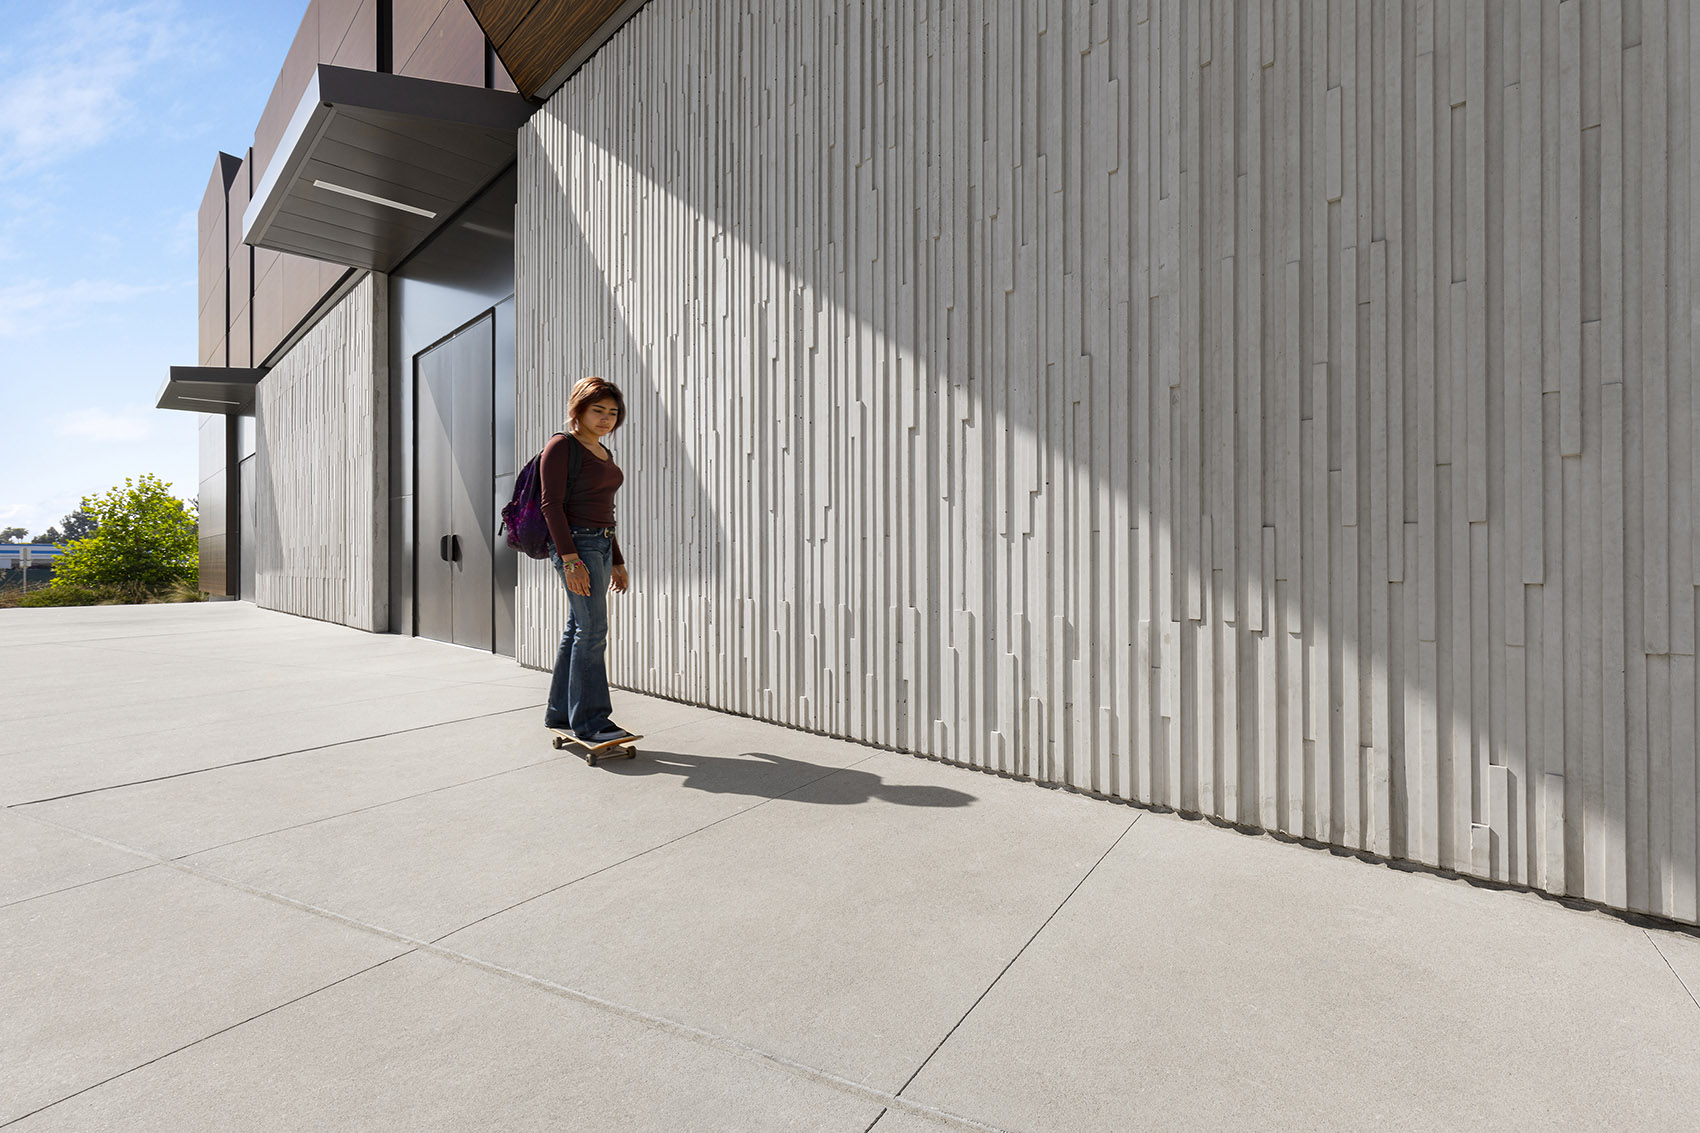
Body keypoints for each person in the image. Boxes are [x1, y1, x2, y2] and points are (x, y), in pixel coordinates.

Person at [540, 376, 634, 743]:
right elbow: (552, 506)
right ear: (577, 409)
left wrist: (616, 559)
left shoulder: (604, 452)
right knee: (593, 632)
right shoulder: (562, 446)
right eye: (598, 410)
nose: (606, 418)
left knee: (577, 630)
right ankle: (592, 722)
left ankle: (561, 713)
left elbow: (605, 511)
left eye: (613, 412)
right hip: (576, 545)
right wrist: (570, 559)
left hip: (600, 543)